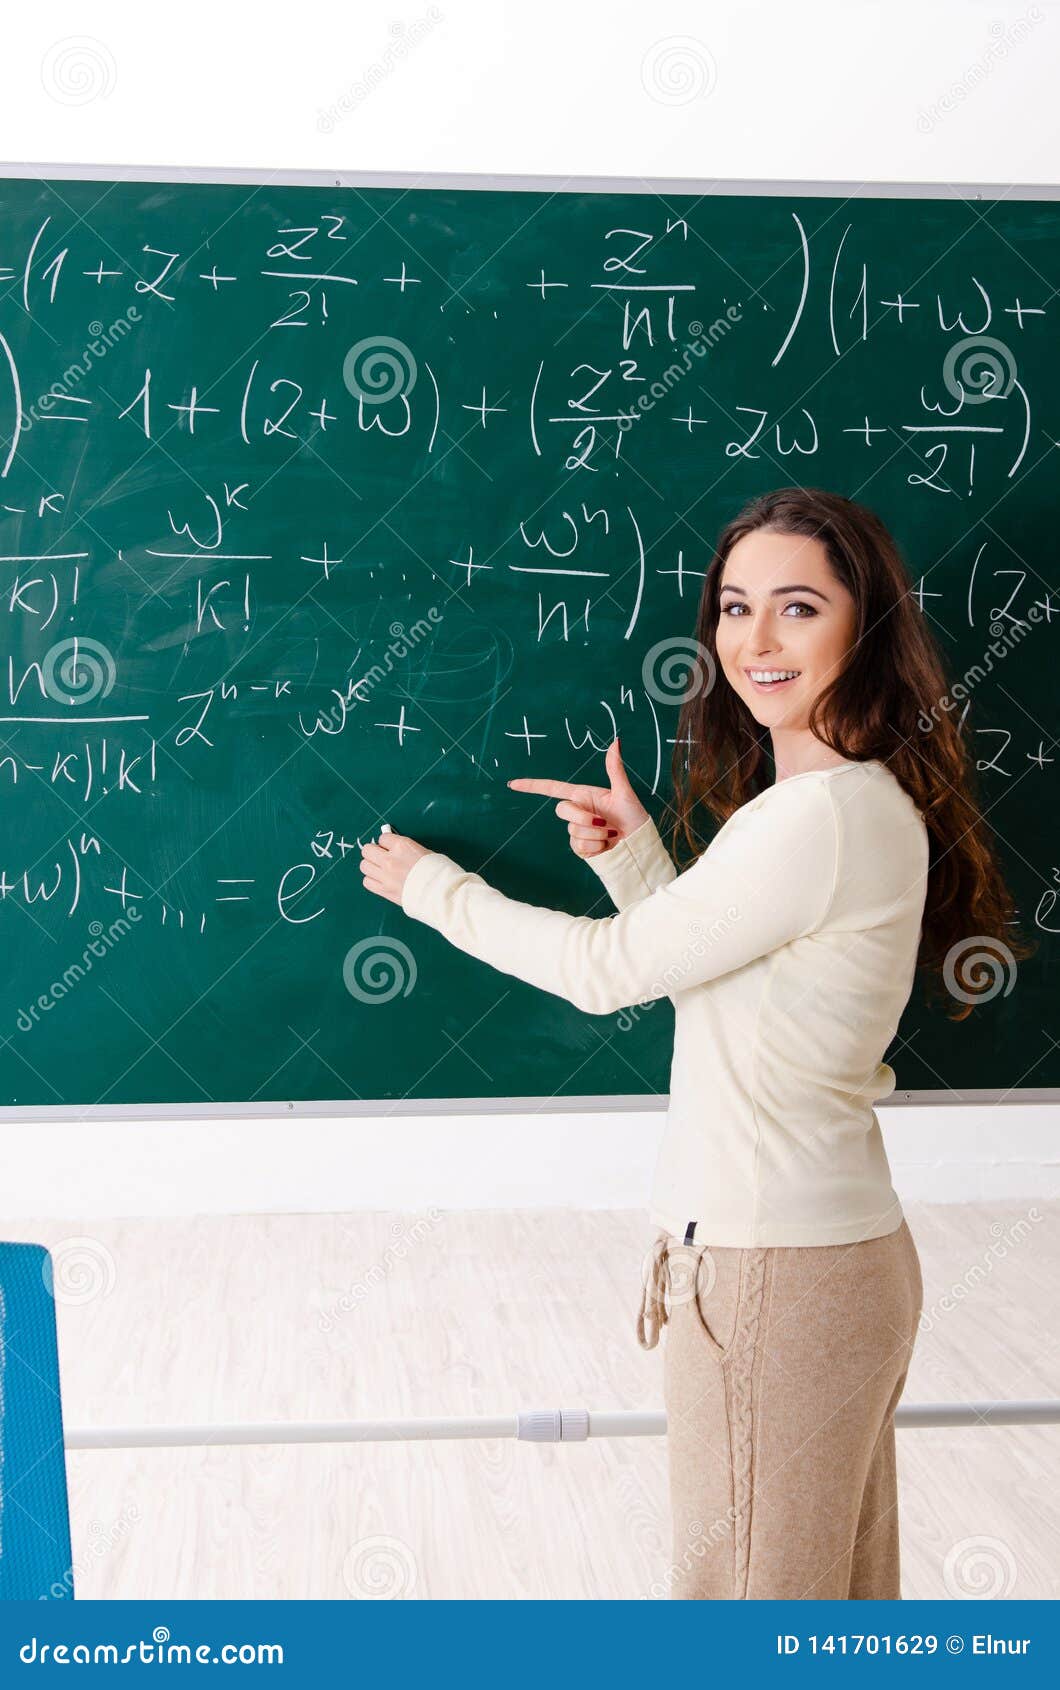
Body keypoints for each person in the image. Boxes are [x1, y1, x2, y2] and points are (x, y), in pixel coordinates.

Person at [359, 485, 1033, 1600]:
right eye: (733, 607)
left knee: (746, 1613)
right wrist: (639, 867)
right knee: (828, 1610)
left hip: (774, 1278)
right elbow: (733, 996)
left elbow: (602, 973)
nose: (754, 640)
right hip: (827, 1266)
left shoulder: (812, 818)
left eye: (797, 608)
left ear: (864, 627)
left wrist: (436, 890)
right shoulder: (849, 805)